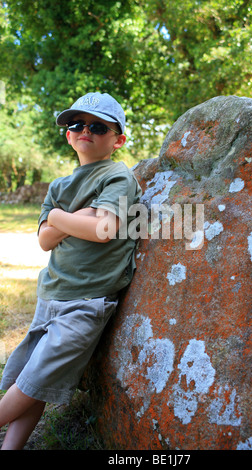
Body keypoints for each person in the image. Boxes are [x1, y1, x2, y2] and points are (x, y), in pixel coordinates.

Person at [0, 92, 142, 450]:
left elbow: (103, 229)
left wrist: (60, 216)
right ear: (68, 135)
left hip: (85, 302)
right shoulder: (59, 185)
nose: (85, 131)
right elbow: (45, 241)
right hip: (51, 295)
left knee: (32, 381)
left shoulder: (117, 177)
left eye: (98, 126)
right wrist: (81, 215)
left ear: (118, 140)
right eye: (77, 124)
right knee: (35, 384)